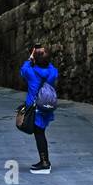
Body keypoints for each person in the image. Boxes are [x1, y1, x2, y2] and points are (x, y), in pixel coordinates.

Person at [20, 45, 58, 174]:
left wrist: (30, 59)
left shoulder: (30, 72)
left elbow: (23, 69)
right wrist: (43, 57)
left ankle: (45, 162)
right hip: (46, 106)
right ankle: (44, 161)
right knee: (41, 132)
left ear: (35, 59)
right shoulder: (52, 72)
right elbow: (50, 66)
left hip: (35, 109)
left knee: (39, 134)